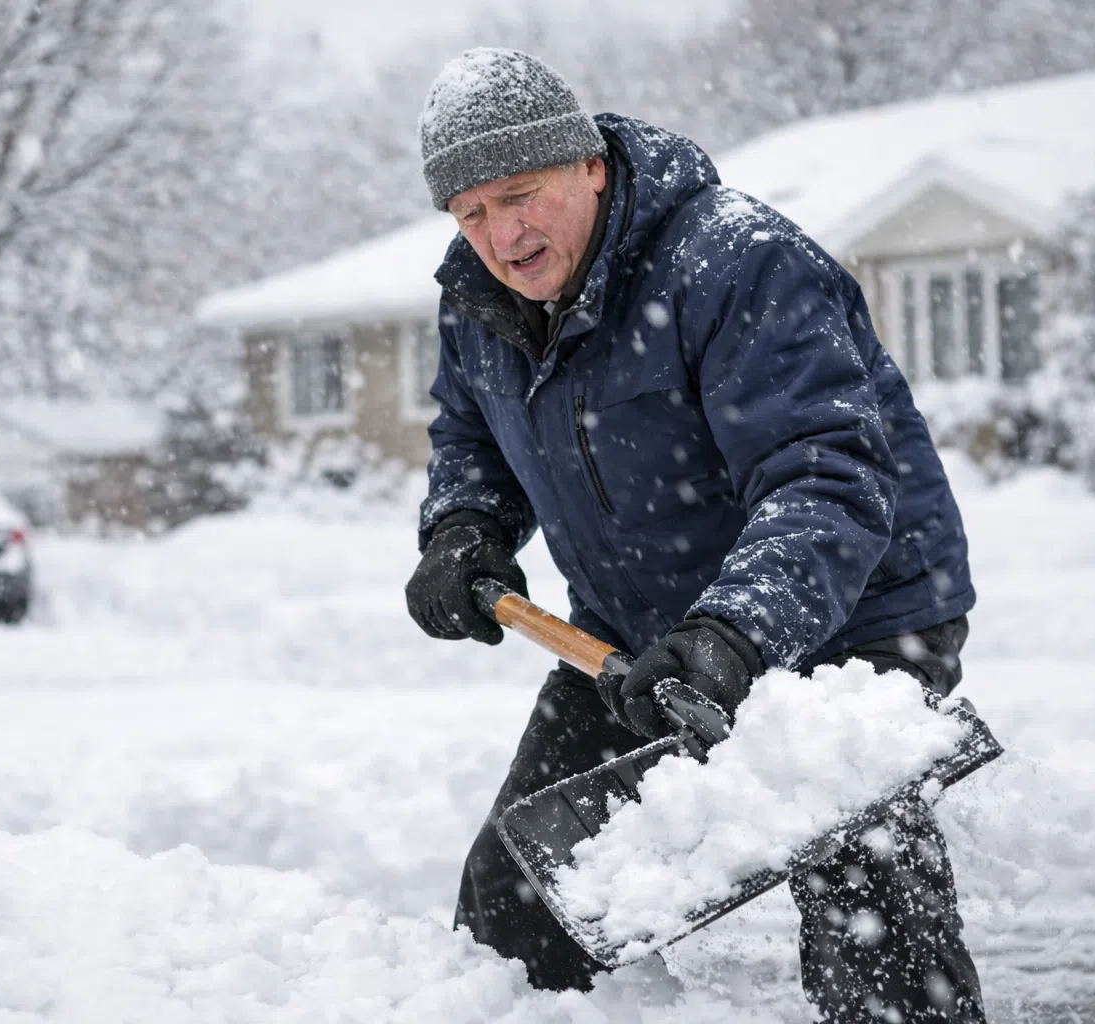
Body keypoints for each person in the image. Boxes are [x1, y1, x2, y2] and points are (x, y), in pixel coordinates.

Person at [404, 47, 985, 1024]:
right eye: (471, 213)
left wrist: (735, 631)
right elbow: (472, 432)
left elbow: (825, 473)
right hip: (636, 641)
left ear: (589, 164)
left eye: (520, 195)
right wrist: (465, 524)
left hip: (850, 621)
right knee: (518, 904)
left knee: (869, 924)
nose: (503, 235)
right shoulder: (479, 304)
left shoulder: (735, 261)